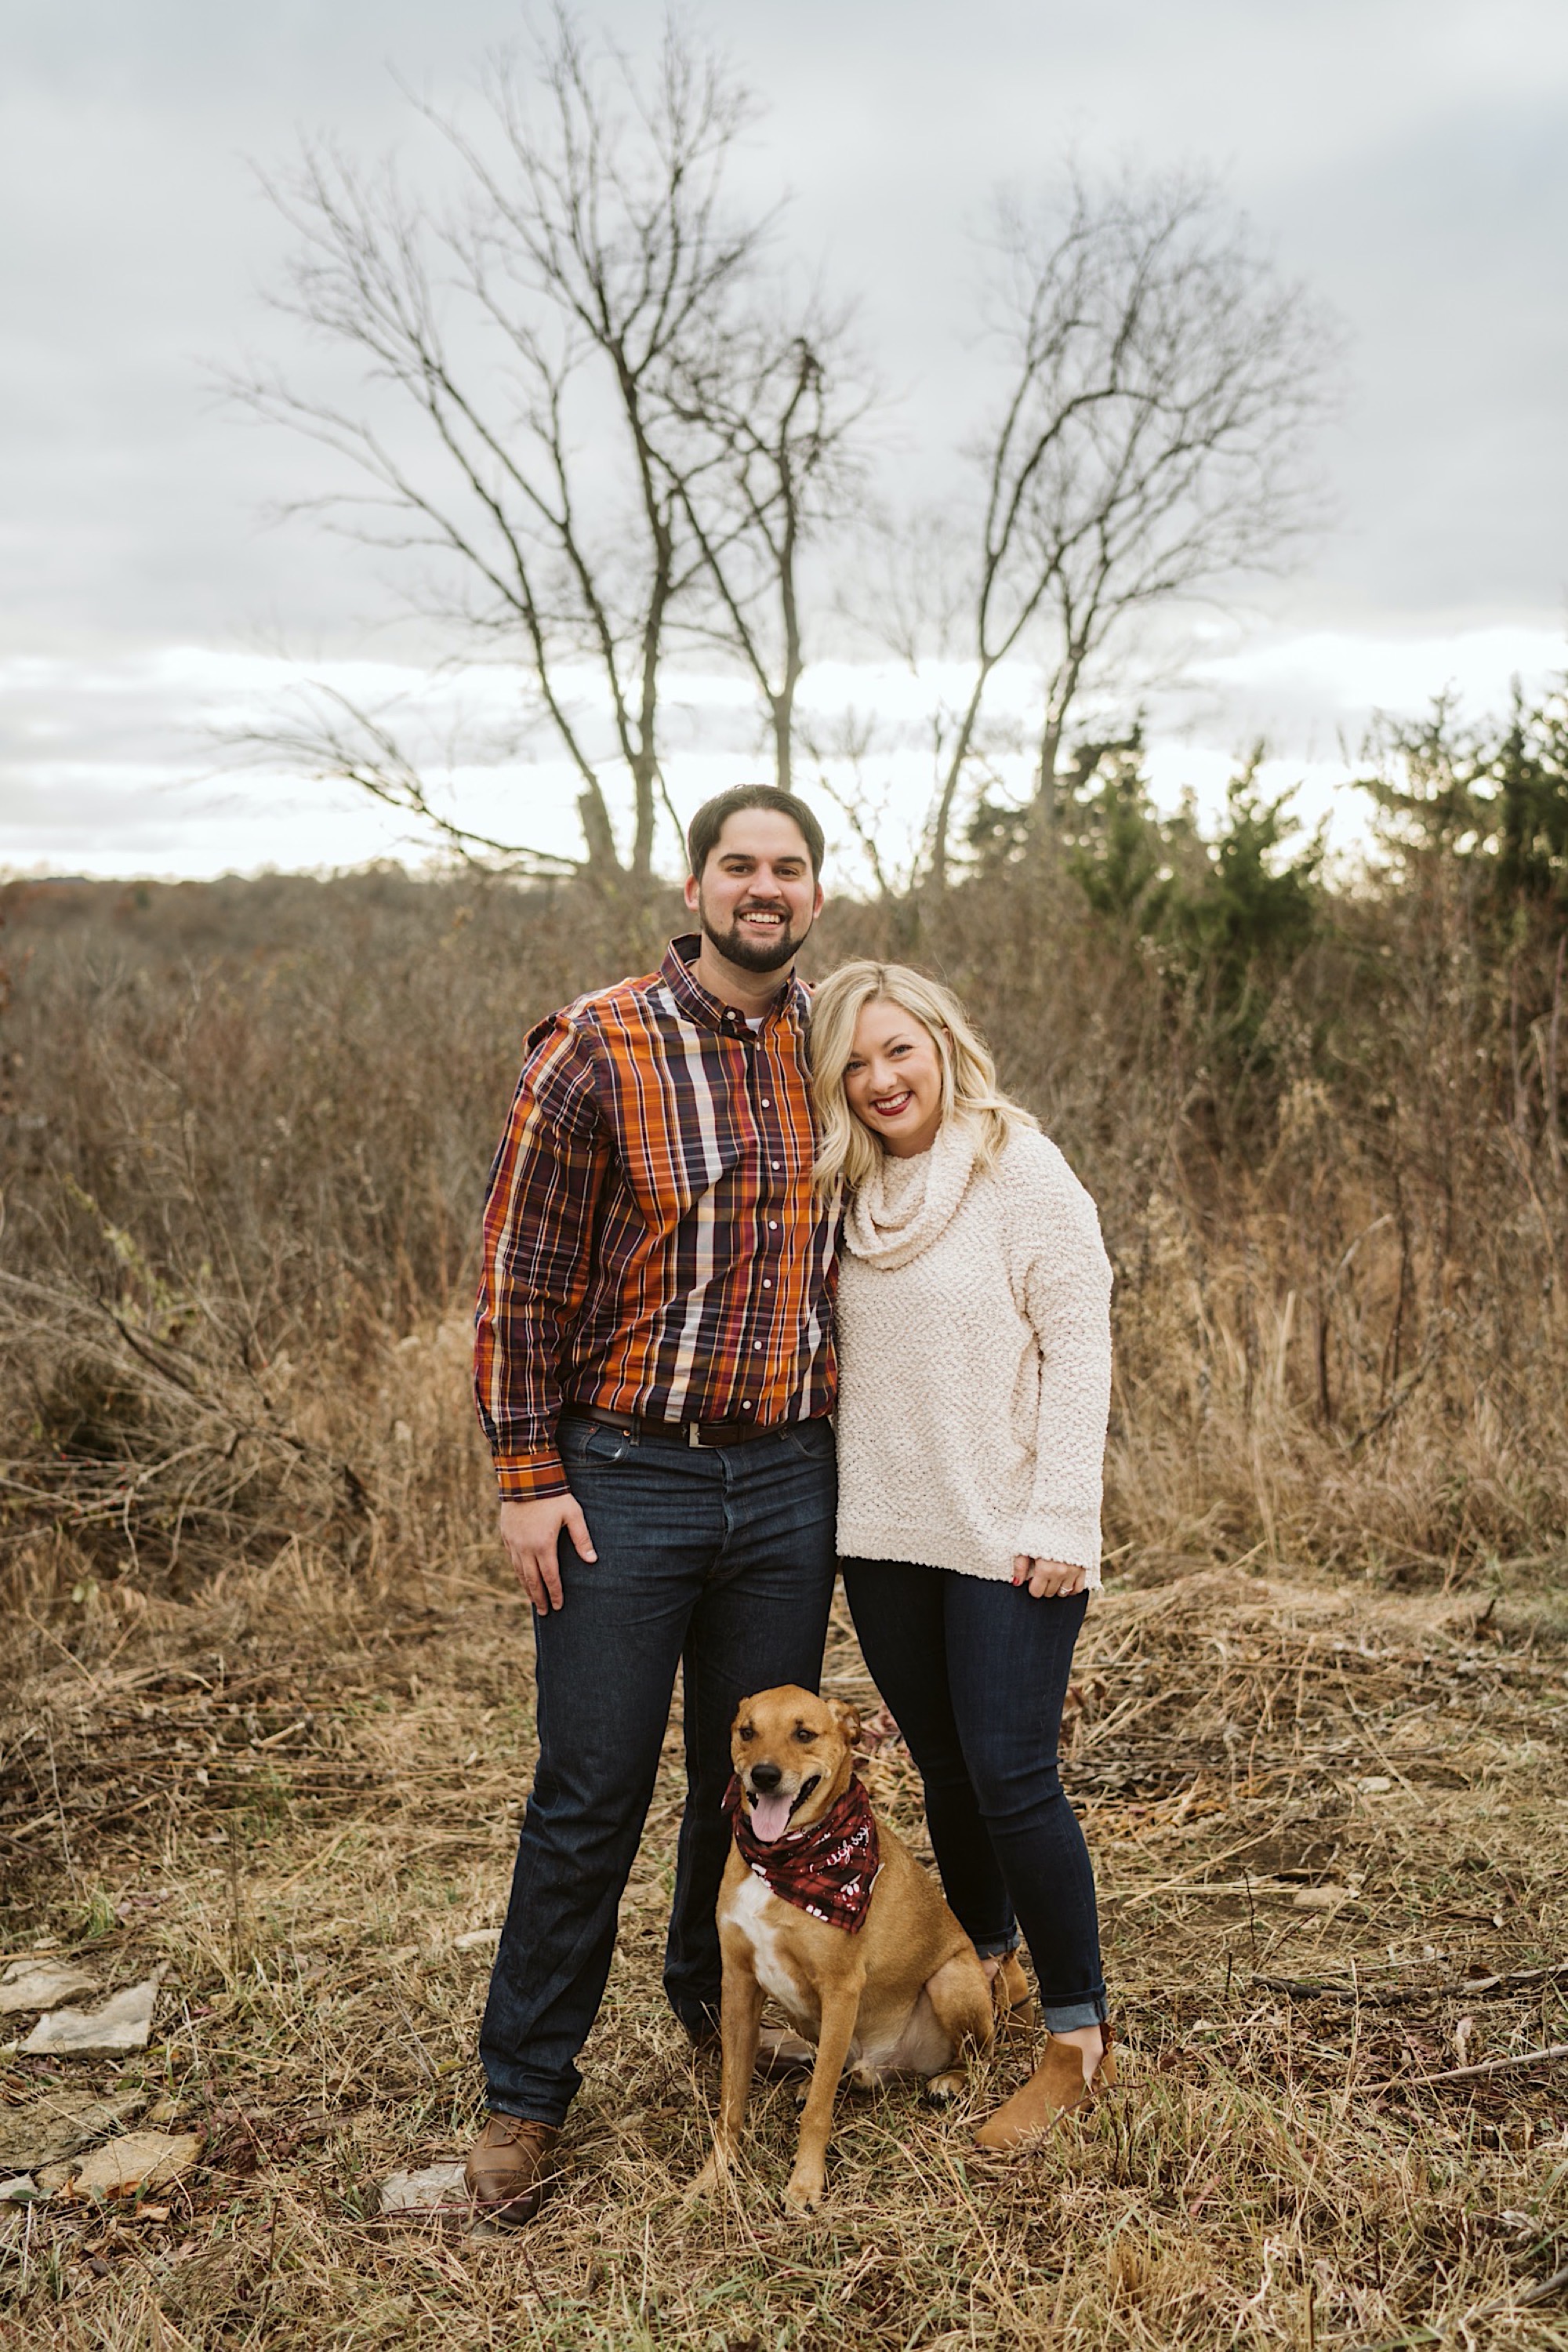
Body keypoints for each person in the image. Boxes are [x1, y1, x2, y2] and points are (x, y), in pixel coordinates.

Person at [466, 786, 839, 2223]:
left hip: (790, 1473)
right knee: (591, 1787)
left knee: (748, 1781)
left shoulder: (828, 1040)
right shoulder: (599, 1040)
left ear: (817, 893)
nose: (765, 888)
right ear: (696, 886)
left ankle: (711, 1999)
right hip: (627, 1474)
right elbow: (519, 1277)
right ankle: (524, 2095)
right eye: (740, 865)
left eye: (789, 868)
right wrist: (525, 1474)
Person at [809, 958, 1115, 2150]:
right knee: (943, 1764)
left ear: (943, 1043)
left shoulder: (1015, 1166)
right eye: (857, 1060)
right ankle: (989, 1963)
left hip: (1008, 1535)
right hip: (887, 1534)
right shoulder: (844, 1190)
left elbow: (1079, 1346)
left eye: (902, 1049)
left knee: (1010, 1773)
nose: (884, 1079)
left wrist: (1061, 1522)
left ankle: (1077, 2040)